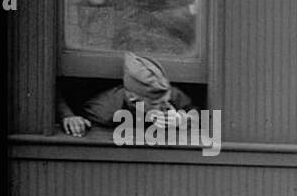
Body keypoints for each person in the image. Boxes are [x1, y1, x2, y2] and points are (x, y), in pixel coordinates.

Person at [58, 51, 195, 134]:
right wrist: (69, 116)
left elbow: (196, 114)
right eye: (155, 104)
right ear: (134, 100)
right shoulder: (106, 110)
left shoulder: (171, 95)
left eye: (166, 100)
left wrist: (182, 120)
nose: (165, 106)